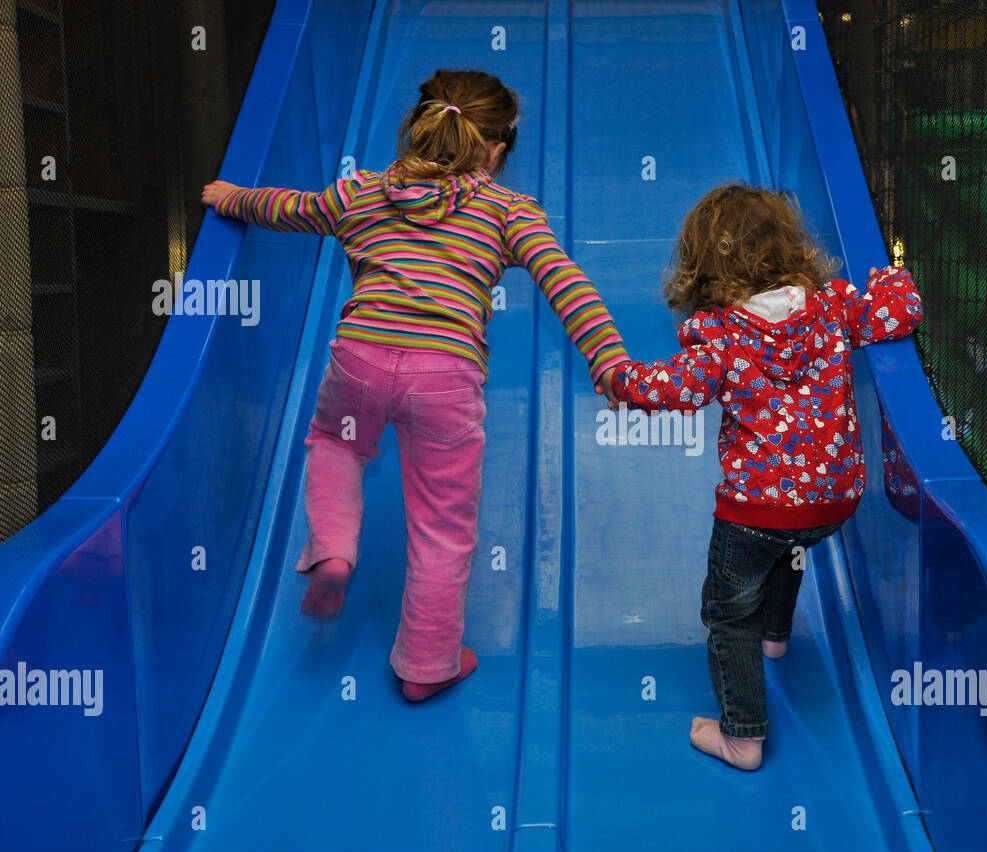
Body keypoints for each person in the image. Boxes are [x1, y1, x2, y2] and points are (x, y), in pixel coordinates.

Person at [202, 69, 628, 701]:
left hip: (360, 359)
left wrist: (233, 196)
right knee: (442, 527)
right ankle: (426, 668)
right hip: (444, 377)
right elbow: (566, 282)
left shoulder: (359, 193)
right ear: (496, 151)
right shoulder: (509, 210)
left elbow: (288, 208)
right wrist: (609, 361)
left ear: (416, 128)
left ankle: (333, 548)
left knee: (336, 444)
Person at [608, 183, 922, 769]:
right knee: (789, 547)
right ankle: (776, 636)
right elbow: (902, 307)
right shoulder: (831, 307)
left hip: (755, 512)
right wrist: (890, 276)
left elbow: (673, 389)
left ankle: (742, 736)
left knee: (728, 612)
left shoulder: (722, 335)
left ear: (704, 266)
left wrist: (621, 380)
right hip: (833, 501)